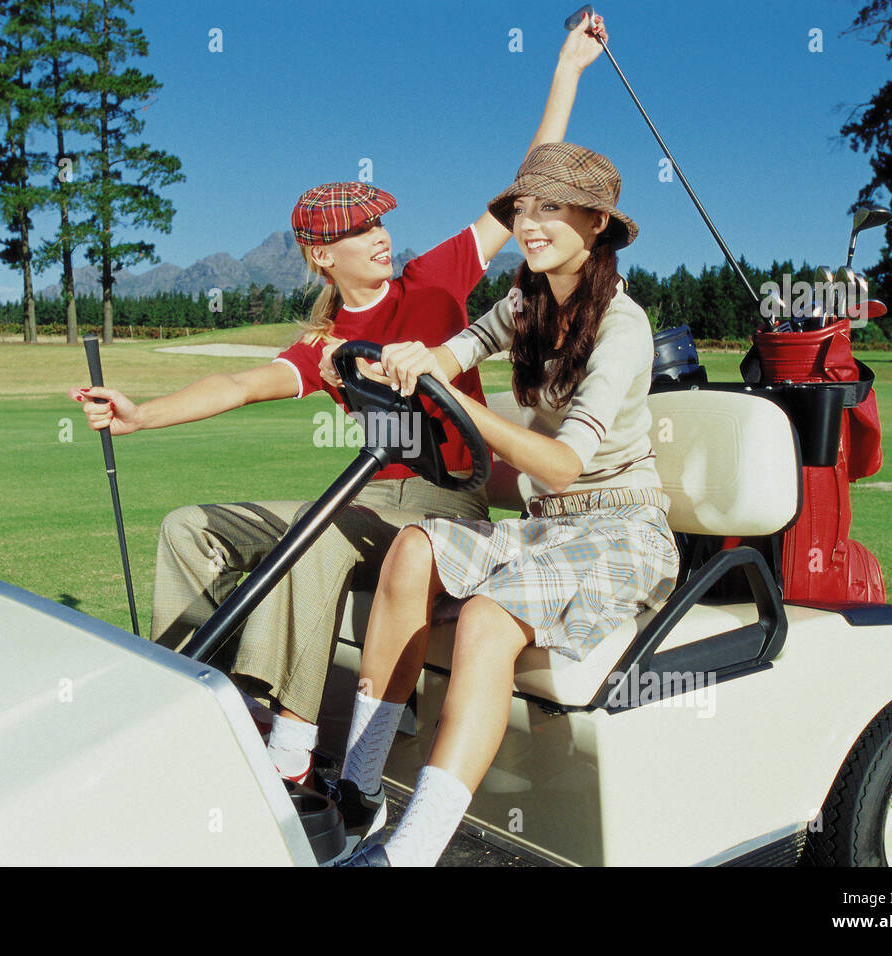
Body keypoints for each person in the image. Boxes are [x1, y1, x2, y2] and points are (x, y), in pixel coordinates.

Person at [70, 17, 612, 850]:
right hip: (368, 490)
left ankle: (292, 756)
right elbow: (242, 384)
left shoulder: (436, 281)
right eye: (358, 232)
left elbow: (528, 185)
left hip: (444, 494)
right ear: (319, 256)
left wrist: (568, 70)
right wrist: (141, 414)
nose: (380, 237)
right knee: (190, 529)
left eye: (380, 222)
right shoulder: (325, 345)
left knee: (313, 537)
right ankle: (209, 702)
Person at [334, 141, 680, 866]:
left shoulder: (624, 326)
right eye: (523, 207)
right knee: (411, 549)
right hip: (545, 530)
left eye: (549, 207)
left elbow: (558, 466)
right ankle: (359, 796)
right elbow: (459, 347)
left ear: (596, 223)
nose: (529, 222)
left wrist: (449, 391)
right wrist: (413, 362)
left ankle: (413, 852)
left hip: (622, 529)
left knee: (490, 617)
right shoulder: (524, 299)